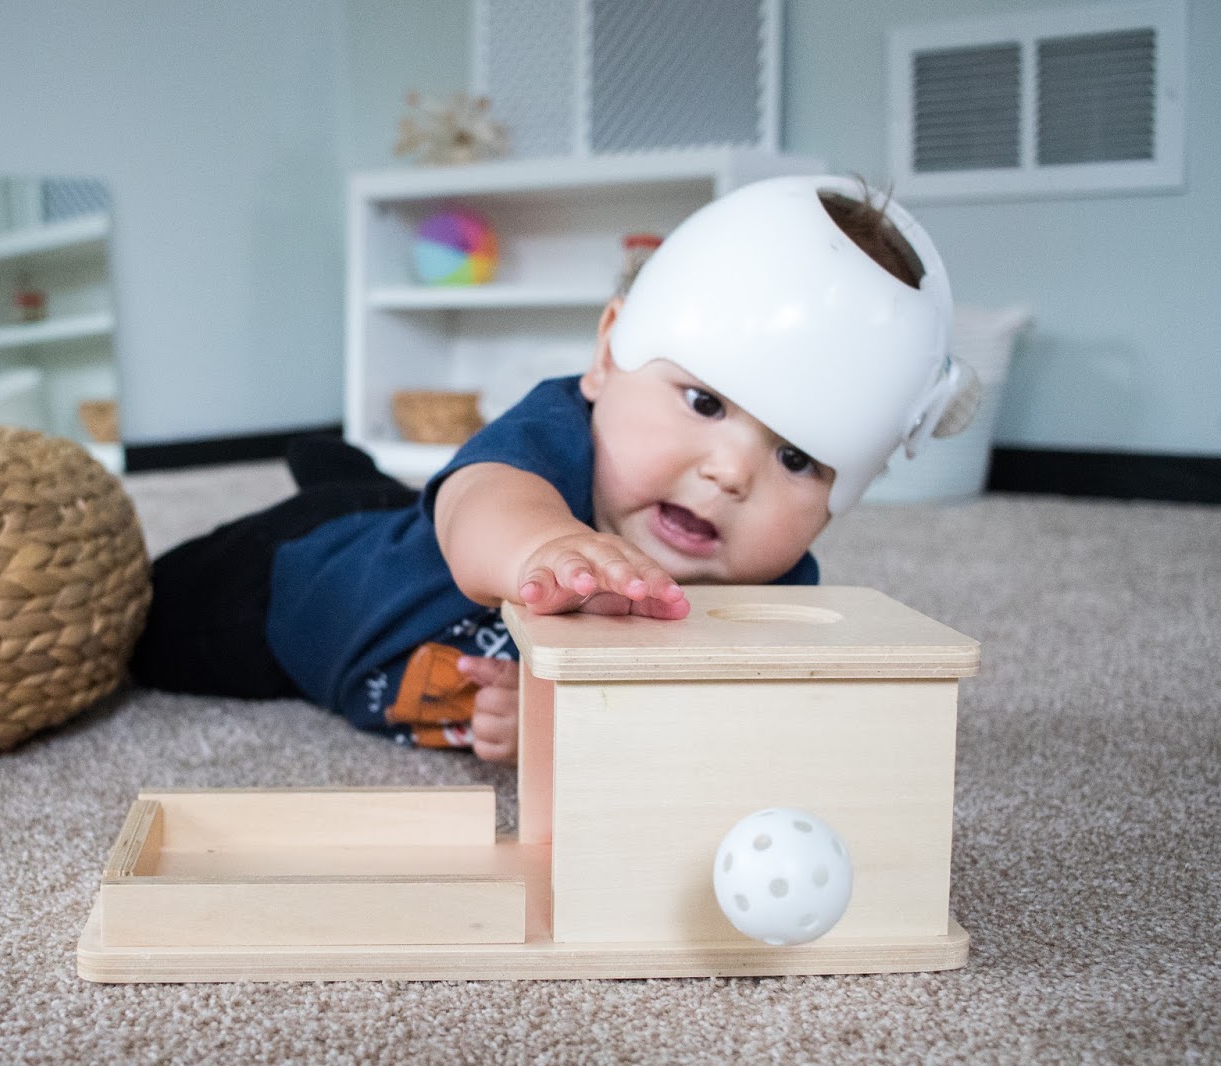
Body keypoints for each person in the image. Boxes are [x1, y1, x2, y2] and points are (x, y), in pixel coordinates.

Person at [131, 175, 976, 765]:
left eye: (796, 457)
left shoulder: (776, 598)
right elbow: (480, 519)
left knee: (378, 495)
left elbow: (715, 736)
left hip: (391, 541)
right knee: (140, 633)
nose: (729, 473)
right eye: (706, 404)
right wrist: (550, 550)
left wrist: (567, 740)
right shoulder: (561, 432)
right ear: (609, 354)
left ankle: (340, 469)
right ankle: (332, 471)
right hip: (300, 591)